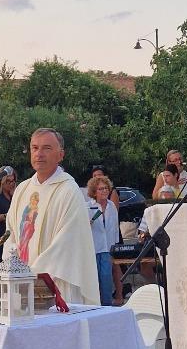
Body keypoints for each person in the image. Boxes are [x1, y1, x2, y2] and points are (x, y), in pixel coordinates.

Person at [6, 128, 100, 306]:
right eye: (35, 148)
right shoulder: (22, 189)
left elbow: (67, 242)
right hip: (21, 283)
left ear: (61, 155)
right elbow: (10, 234)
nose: (39, 154)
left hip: (56, 282)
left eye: (47, 148)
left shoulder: (68, 190)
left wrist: (34, 274)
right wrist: (14, 270)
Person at [86, 175, 119, 306]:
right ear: (94, 192)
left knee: (106, 278)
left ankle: (107, 306)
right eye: (100, 189)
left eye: (106, 188)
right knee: (94, 279)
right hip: (93, 248)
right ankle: (94, 305)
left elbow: (115, 227)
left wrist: (115, 246)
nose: (104, 191)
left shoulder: (112, 206)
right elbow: (85, 227)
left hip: (107, 248)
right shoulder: (88, 207)